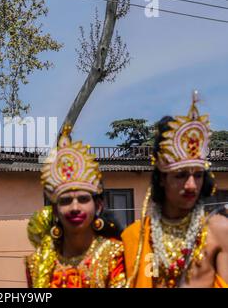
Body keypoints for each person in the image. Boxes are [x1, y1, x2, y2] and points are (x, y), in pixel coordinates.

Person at [122, 93, 228, 288]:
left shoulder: (220, 230)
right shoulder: (136, 237)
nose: (191, 185)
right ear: (162, 178)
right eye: (180, 176)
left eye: (198, 175)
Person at [25, 125, 126, 288]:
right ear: (55, 210)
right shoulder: (37, 264)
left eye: (83, 199)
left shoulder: (115, 255)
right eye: (65, 201)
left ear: (98, 206)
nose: (75, 207)